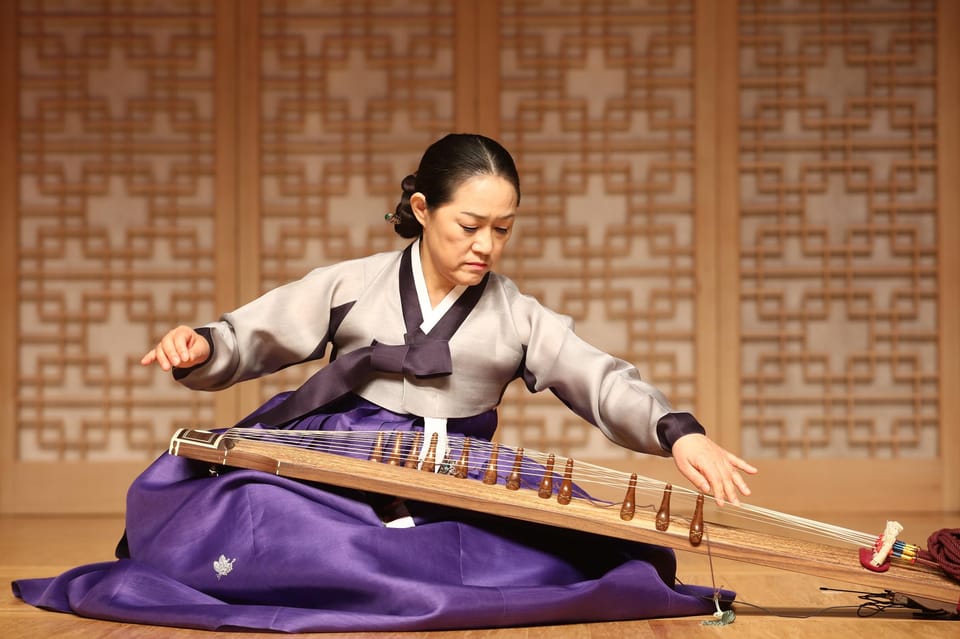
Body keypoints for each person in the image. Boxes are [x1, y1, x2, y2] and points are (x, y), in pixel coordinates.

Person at [13, 133, 757, 633]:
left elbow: (598, 378)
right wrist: (199, 344)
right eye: (470, 225)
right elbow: (255, 333)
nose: (485, 246)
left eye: (503, 228)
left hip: (457, 471)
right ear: (424, 210)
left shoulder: (516, 314)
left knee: (569, 549)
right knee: (262, 515)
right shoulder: (354, 283)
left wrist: (676, 431)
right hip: (334, 458)